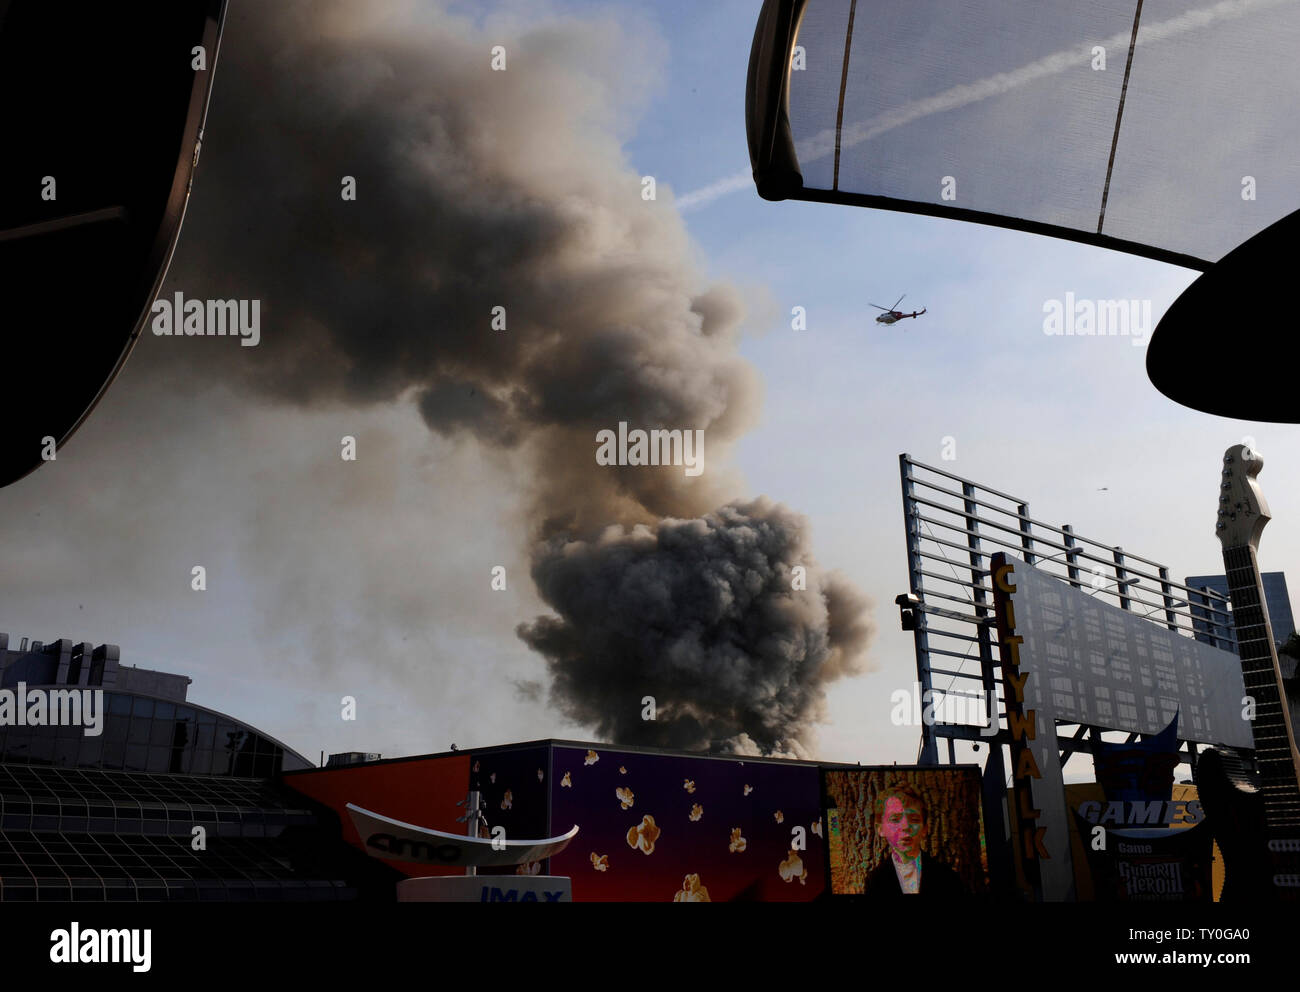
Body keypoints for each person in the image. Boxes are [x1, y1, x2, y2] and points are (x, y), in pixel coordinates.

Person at [863, 784, 967, 899]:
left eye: (914, 819)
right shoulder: (875, 881)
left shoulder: (947, 877)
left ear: (924, 829)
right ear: (881, 829)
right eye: (895, 819)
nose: (905, 826)